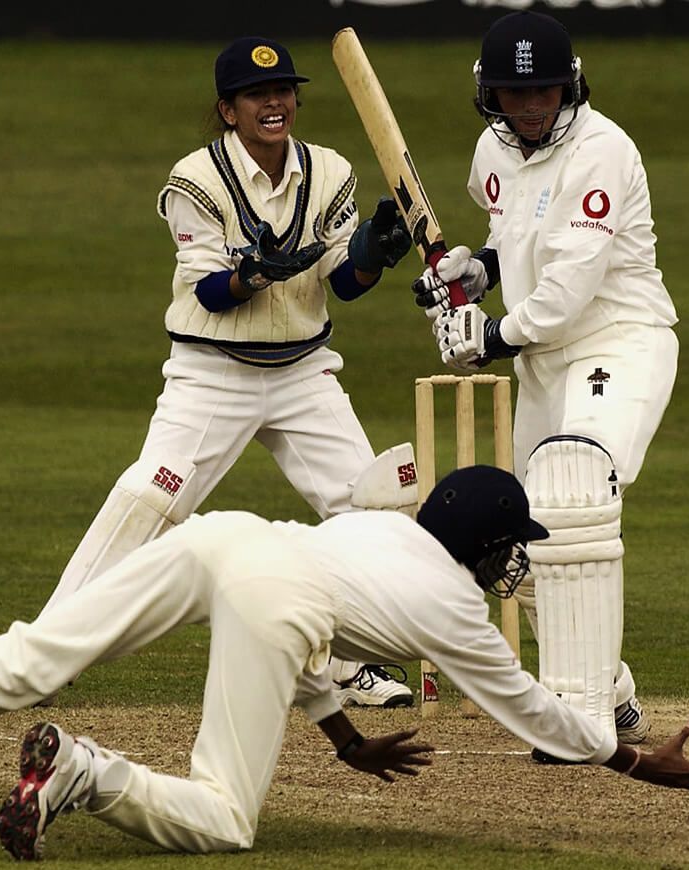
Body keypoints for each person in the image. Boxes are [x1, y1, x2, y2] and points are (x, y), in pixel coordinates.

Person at [0, 463, 689, 859]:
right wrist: (632, 758)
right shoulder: (449, 605)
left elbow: (297, 606)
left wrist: (343, 736)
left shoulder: (380, 532)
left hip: (228, 538)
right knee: (225, 821)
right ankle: (84, 773)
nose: (509, 560)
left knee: (28, 656)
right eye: (506, 543)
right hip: (271, 586)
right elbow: (525, 707)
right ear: (480, 544)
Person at [37, 36, 417, 707]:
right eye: (256, 95)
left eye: (282, 92)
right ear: (228, 109)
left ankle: (348, 663)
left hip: (302, 372)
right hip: (213, 373)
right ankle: (46, 650)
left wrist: (372, 256)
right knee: (153, 499)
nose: (274, 104)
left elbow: (346, 284)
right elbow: (211, 292)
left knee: (373, 508)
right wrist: (250, 274)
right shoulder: (195, 182)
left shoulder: (329, 172)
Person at [412, 11, 680, 757]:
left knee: (576, 490)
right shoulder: (492, 152)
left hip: (616, 342)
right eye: (513, 94)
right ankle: (611, 692)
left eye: (544, 92)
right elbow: (515, 234)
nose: (530, 109)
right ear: (489, 93)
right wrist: (478, 270)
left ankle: (583, 714)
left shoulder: (602, 151)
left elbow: (565, 292)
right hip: (545, 359)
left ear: (571, 84)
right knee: (512, 536)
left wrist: (488, 335)